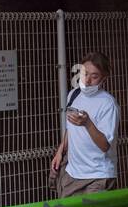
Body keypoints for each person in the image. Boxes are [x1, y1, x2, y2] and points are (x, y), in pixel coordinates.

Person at [49, 51, 119, 198]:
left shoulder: (108, 103)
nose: (87, 80)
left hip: (98, 175)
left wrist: (87, 123)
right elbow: (70, 128)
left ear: (104, 78)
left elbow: (105, 145)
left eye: (94, 76)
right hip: (72, 173)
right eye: (84, 73)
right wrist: (60, 152)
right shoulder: (73, 95)